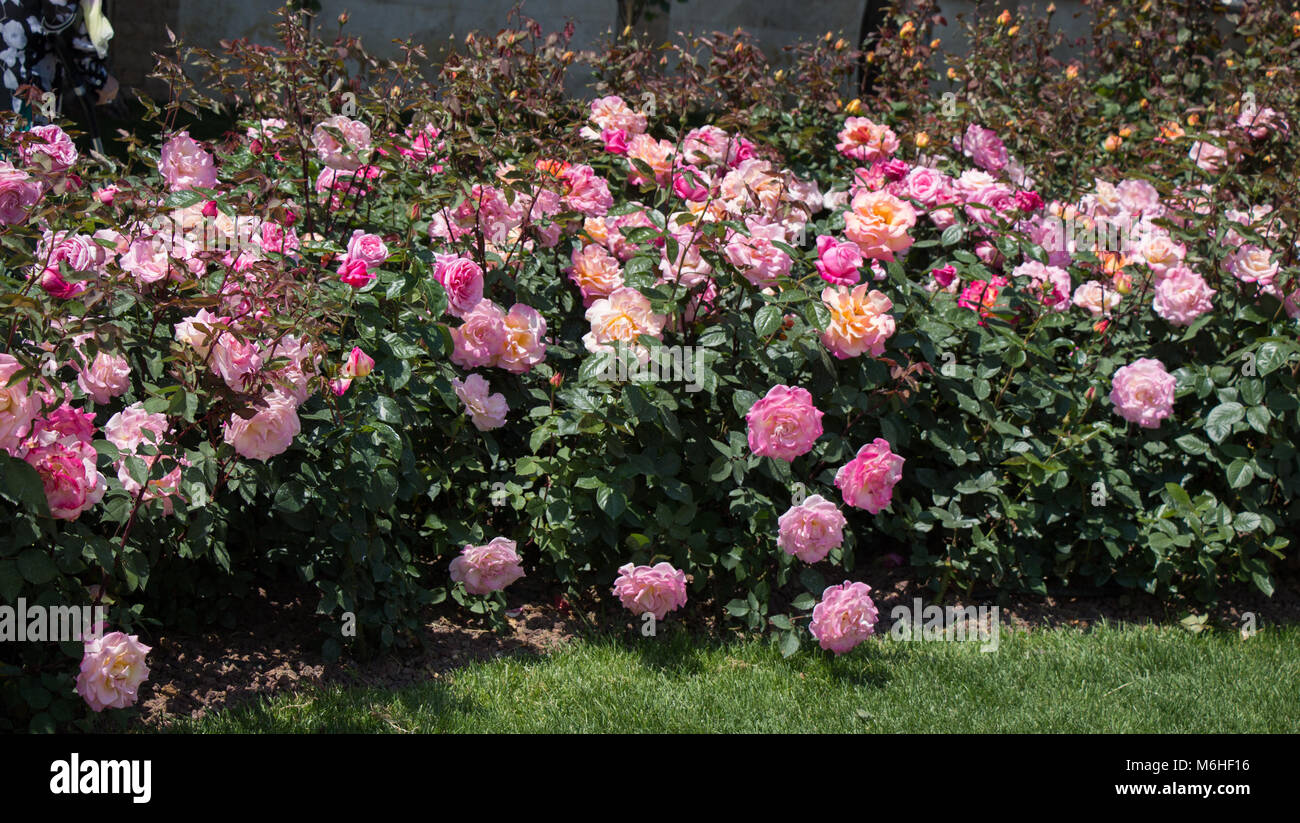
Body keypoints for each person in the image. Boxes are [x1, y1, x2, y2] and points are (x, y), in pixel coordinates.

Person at [1, 0, 116, 121]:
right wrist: (97, 75)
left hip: (16, 65)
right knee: (31, 135)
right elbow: (62, 17)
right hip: (29, 71)